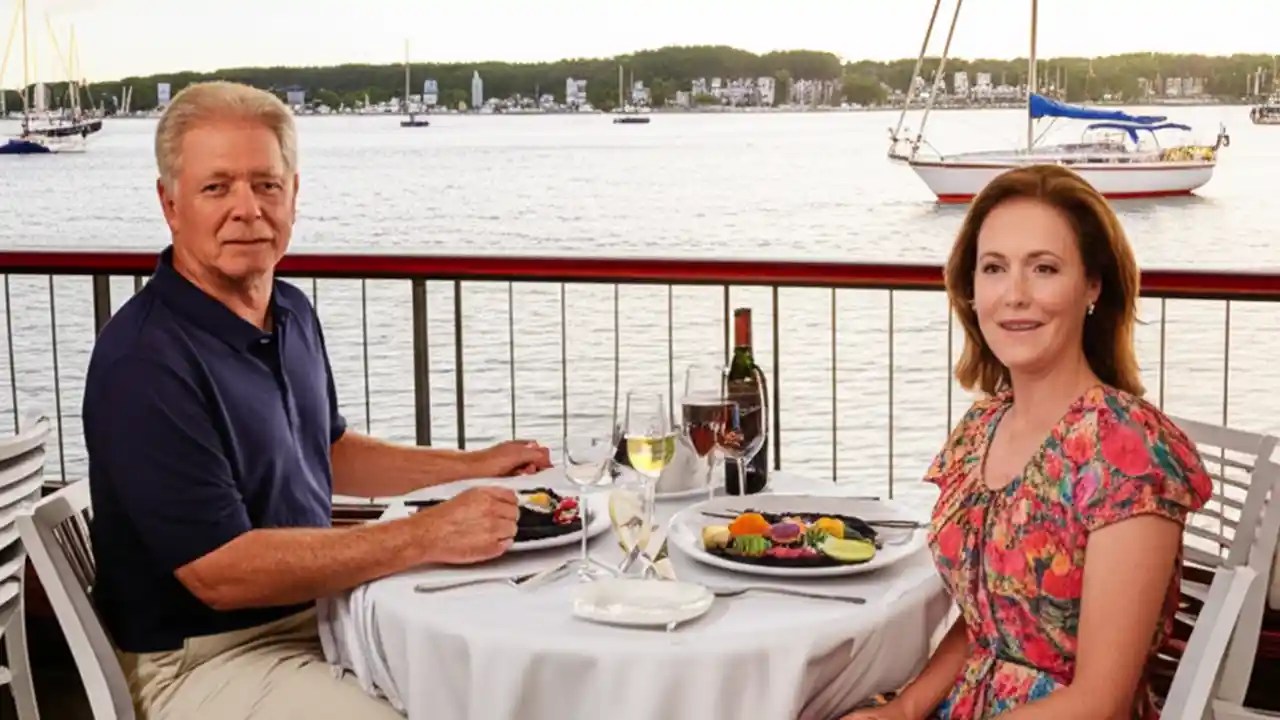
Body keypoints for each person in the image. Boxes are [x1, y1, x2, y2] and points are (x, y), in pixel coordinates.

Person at [81, 80, 552, 719]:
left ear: (294, 195)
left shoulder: (291, 312)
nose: (247, 208)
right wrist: (426, 532)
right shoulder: (143, 362)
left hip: (319, 608)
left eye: (266, 184)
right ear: (170, 205)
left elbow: (327, 449)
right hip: (204, 660)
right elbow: (221, 574)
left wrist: (472, 465)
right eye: (216, 187)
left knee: (510, 679)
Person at [843, 165, 1211, 719]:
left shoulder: (1124, 450)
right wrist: (904, 709)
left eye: (1044, 268)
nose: (1014, 295)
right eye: (994, 268)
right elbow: (991, 620)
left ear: (1092, 285)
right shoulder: (980, 430)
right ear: (970, 289)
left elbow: (1099, 702)